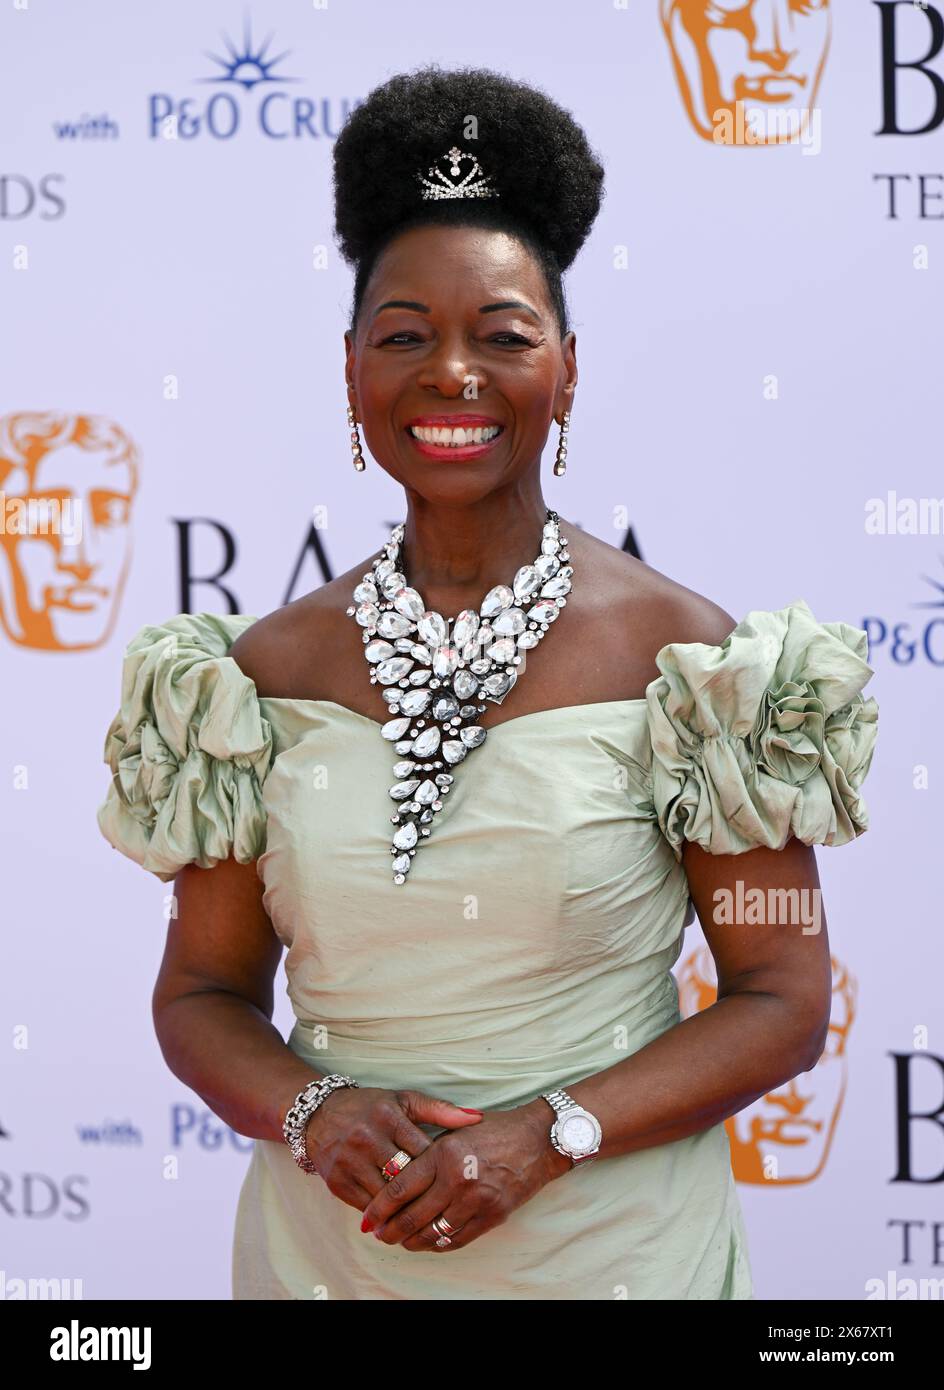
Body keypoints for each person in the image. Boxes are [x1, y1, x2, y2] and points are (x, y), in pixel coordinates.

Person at [96, 65, 880, 1301]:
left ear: (564, 370)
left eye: (501, 336)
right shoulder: (253, 676)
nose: (452, 372)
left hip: (616, 1261)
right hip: (328, 1264)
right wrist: (313, 1108)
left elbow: (781, 997)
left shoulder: (697, 664)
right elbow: (201, 992)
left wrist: (548, 1132)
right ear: (352, 373)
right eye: (404, 335)